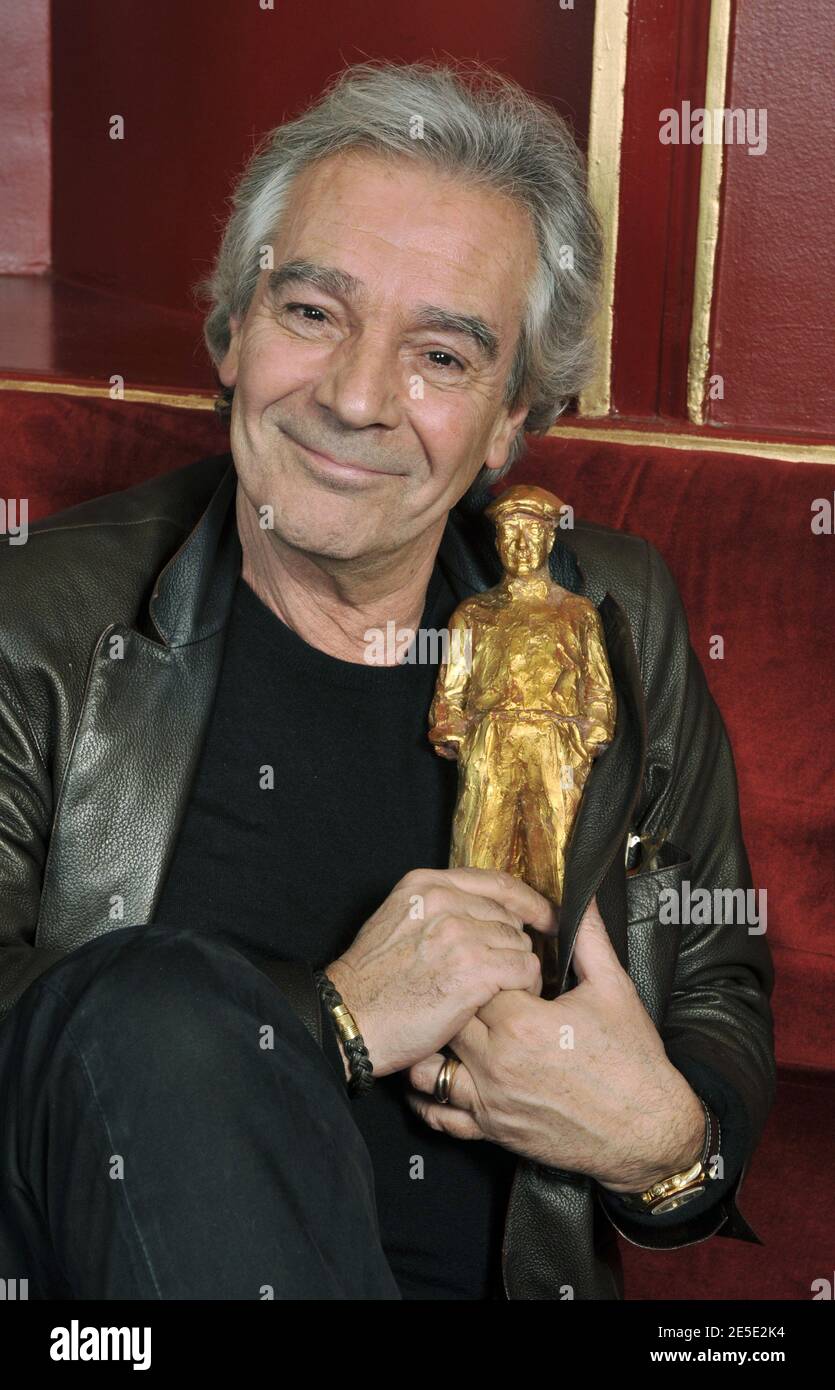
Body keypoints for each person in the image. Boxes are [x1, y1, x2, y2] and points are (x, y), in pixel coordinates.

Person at [0, 61, 775, 1301]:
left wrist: (667, 1148)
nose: (356, 398)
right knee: (144, 1003)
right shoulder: (32, 621)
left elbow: (712, 976)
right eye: (312, 312)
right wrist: (337, 1020)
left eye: (441, 356)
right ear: (229, 331)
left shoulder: (609, 619)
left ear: (514, 417)